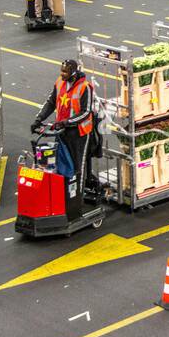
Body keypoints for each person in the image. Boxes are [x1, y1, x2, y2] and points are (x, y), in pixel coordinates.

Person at [32, 58, 100, 219]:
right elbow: (51, 102)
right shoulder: (59, 83)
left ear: (74, 72)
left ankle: (77, 201)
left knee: (78, 166)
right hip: (61, 131)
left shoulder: (85, 88)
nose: (62, 74)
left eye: (65, 72)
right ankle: (65, 197)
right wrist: (38, 119)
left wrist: (66, 122)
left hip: (78, 134)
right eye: (61, 71)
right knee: (61, 164)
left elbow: (86, 113)